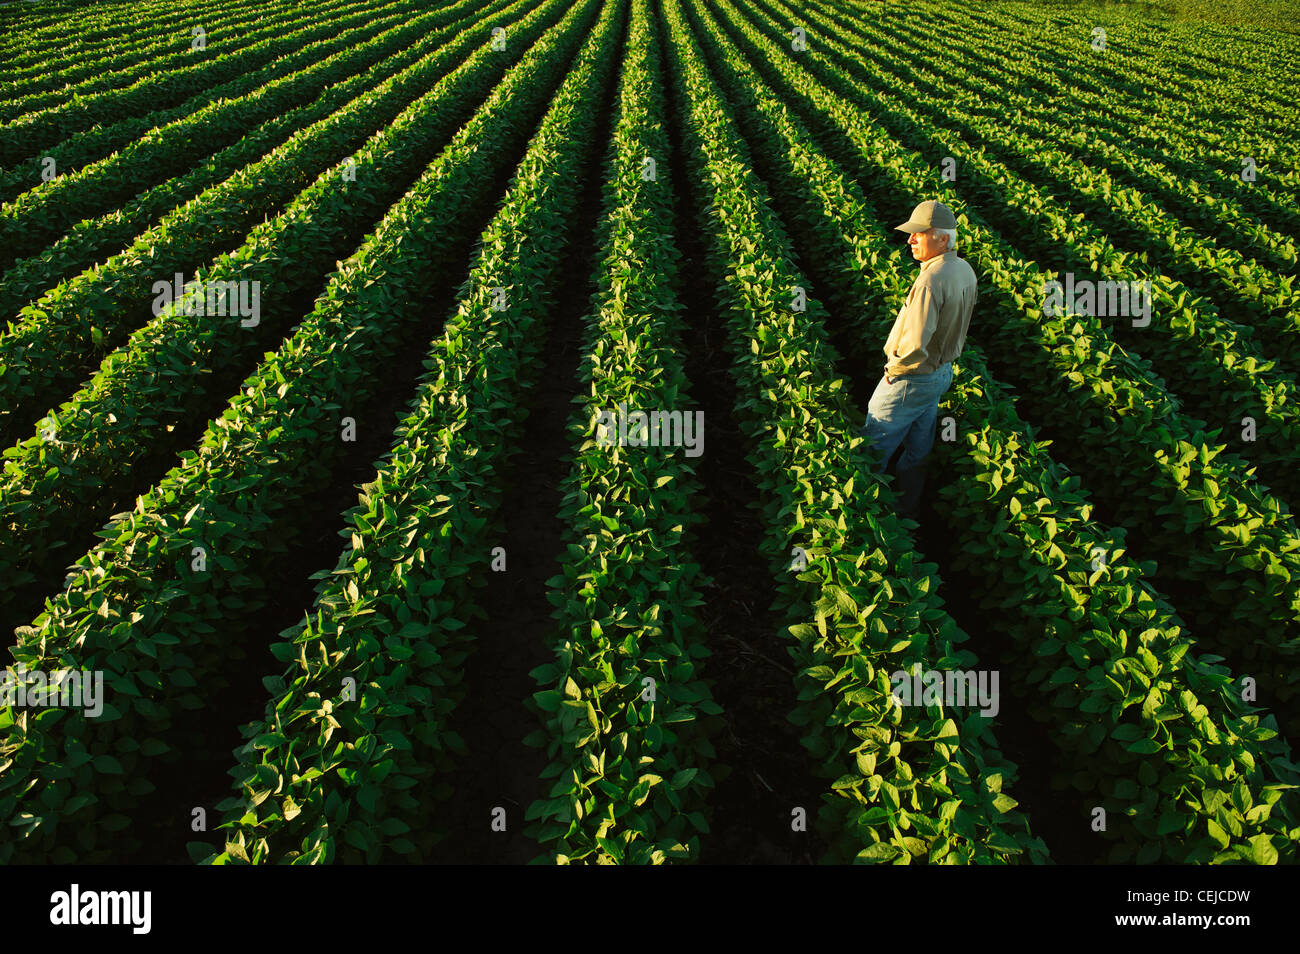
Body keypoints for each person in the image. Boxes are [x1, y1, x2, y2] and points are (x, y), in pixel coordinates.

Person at [860, 200, 977, 520]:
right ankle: (906, 512)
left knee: (871, 450)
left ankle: (865, 517)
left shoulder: (930, 280)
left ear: (942, 239)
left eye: (919, 234)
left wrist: (892, 373)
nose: (910, 240)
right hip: (940, 373)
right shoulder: (963, 269)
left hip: (911, 379)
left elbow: (915, 343)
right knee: (917, 449)